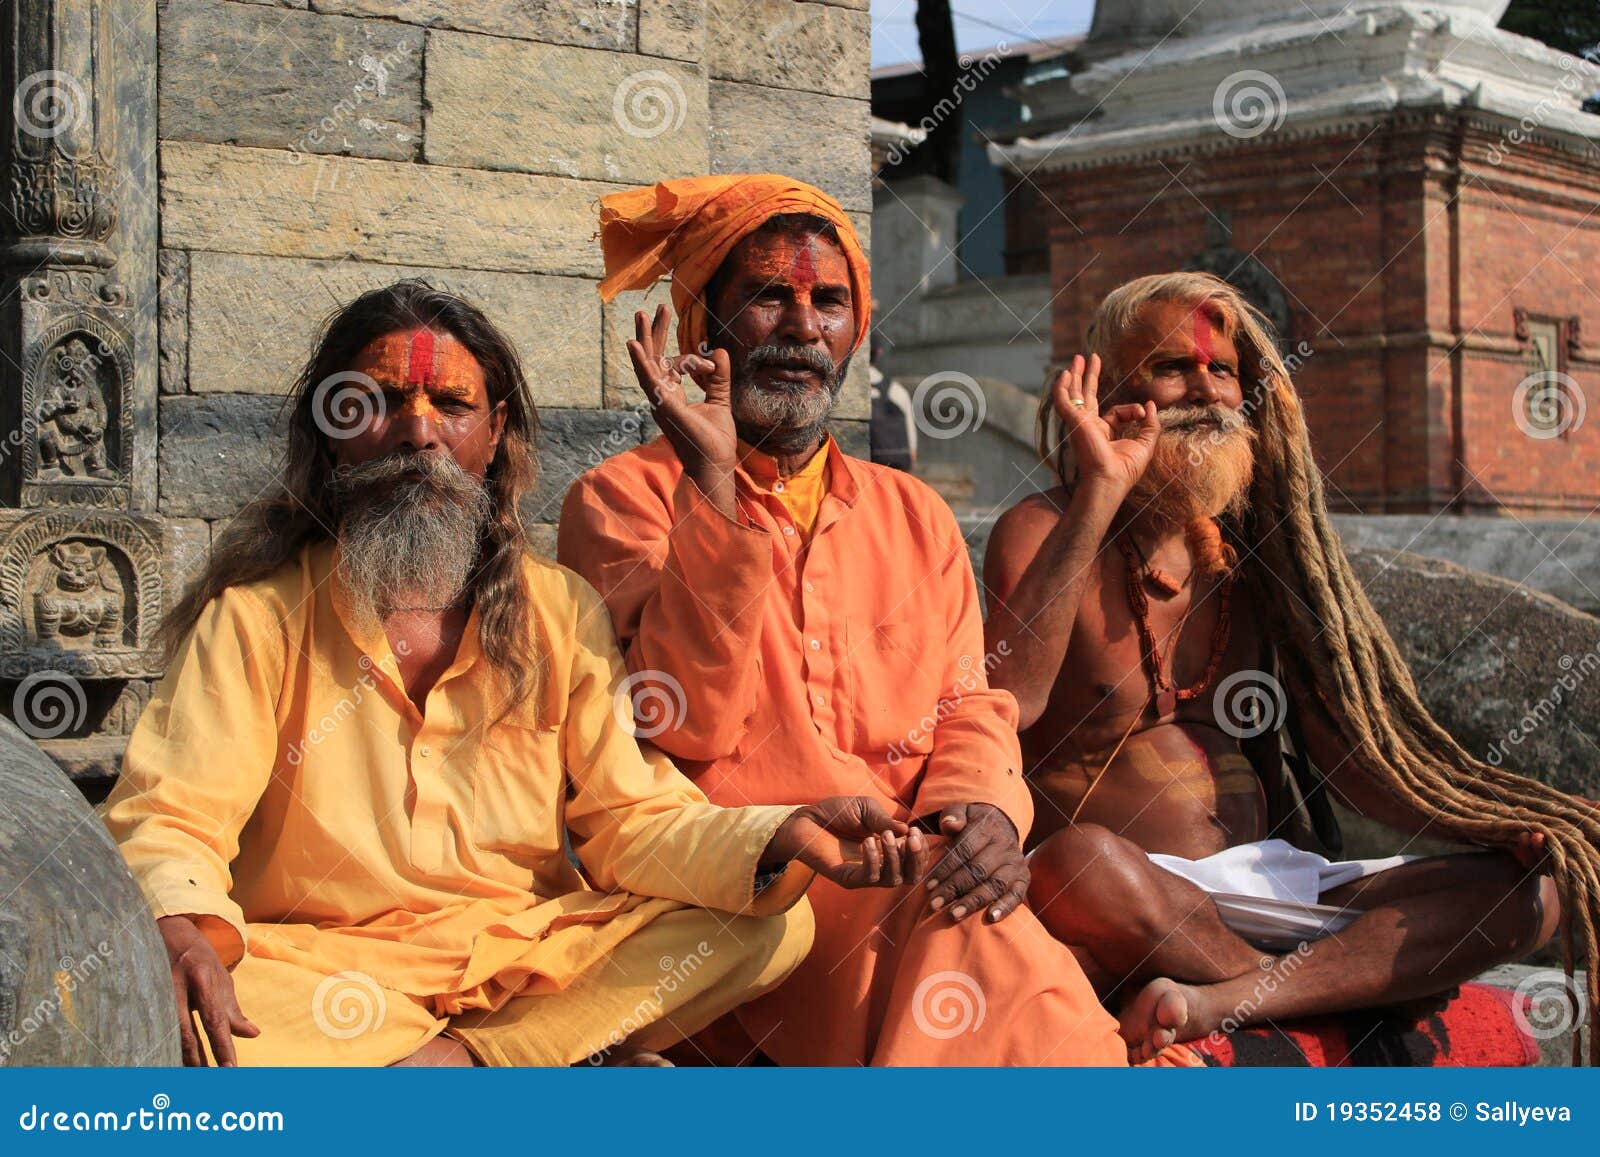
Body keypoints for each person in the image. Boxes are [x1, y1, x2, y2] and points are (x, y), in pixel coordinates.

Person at [101, 280, 923, 1067]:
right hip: (323, 973)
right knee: (173, 995)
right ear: (334, 430)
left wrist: (782, 832)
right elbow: (172, 816)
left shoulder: (556, 609)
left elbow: (631, 822)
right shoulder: (257, 616)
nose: (417, 433)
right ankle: (534, 1061)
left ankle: (458, 1061)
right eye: (381, 402)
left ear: (494, 435)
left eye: (450, 405)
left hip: (517, 961)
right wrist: (178, 924)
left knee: (769, 927)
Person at [558, 175, 1193, 1066]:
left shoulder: (913, 512)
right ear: (706, 326)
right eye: (769, 296)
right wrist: (712, 488)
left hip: (919, 864)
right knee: (980, 954)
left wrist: (982, 814)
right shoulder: (620, 502)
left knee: (969, 909)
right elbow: (684, 724)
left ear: (855, 331)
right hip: (755, 888)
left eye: (828, 302)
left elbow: (971, 702)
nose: (801, 327)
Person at [982, 271, 1598, 1062]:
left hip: (1277, 886)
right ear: (1107, 390)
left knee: (1531, 894)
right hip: (1131, 894)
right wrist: (1100, 488)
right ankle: (1343, 985)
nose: (1205, 389)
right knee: (1078, 865)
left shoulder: (1257, 558)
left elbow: (1347, 757)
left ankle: (1234, 995)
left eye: (1222, 371)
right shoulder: (1044, 528)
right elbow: (1009, 698)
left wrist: (1489, 819)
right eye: (1172, 367)